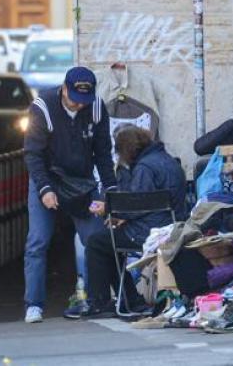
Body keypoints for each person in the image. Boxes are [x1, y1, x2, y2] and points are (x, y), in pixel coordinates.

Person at [22, 66, 116, 324]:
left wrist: (109, 191)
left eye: (84, 100)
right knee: (38, 241)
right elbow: (33, 154)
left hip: (83, 182)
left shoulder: (96, 108)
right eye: (74, 99)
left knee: (95, 239)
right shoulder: (42, 107)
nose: (79, 105)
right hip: (48, 178)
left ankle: (95, 298)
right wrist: (44, 189)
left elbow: (103, 154)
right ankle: (34, 304)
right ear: (64, 89)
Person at [67, 125, 186, 319]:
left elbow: (135, 204)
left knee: (97, 243)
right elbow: (149, 203)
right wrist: (122, 216)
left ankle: (100, 302)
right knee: (110, 243)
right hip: (172, 227)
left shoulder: (144, 167)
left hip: (149, 232)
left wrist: (108, 209)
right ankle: (131, 299)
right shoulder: (169, 160)